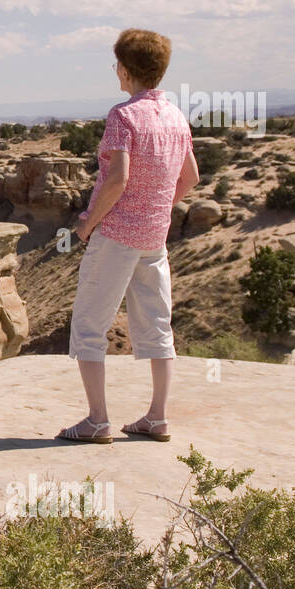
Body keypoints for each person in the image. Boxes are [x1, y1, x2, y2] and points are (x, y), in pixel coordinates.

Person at [57, 28, 200, 445]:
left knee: (88, 325)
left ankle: (97, 421)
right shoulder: (175, 116)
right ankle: (157, 417)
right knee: (157, 324)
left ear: (125, 68)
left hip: (117, 235)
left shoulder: (123, 116)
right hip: (154, 239)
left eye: (115, 63)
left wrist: (86, 222)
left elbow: (117, 179)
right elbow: (190, 176)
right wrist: (159, 205)